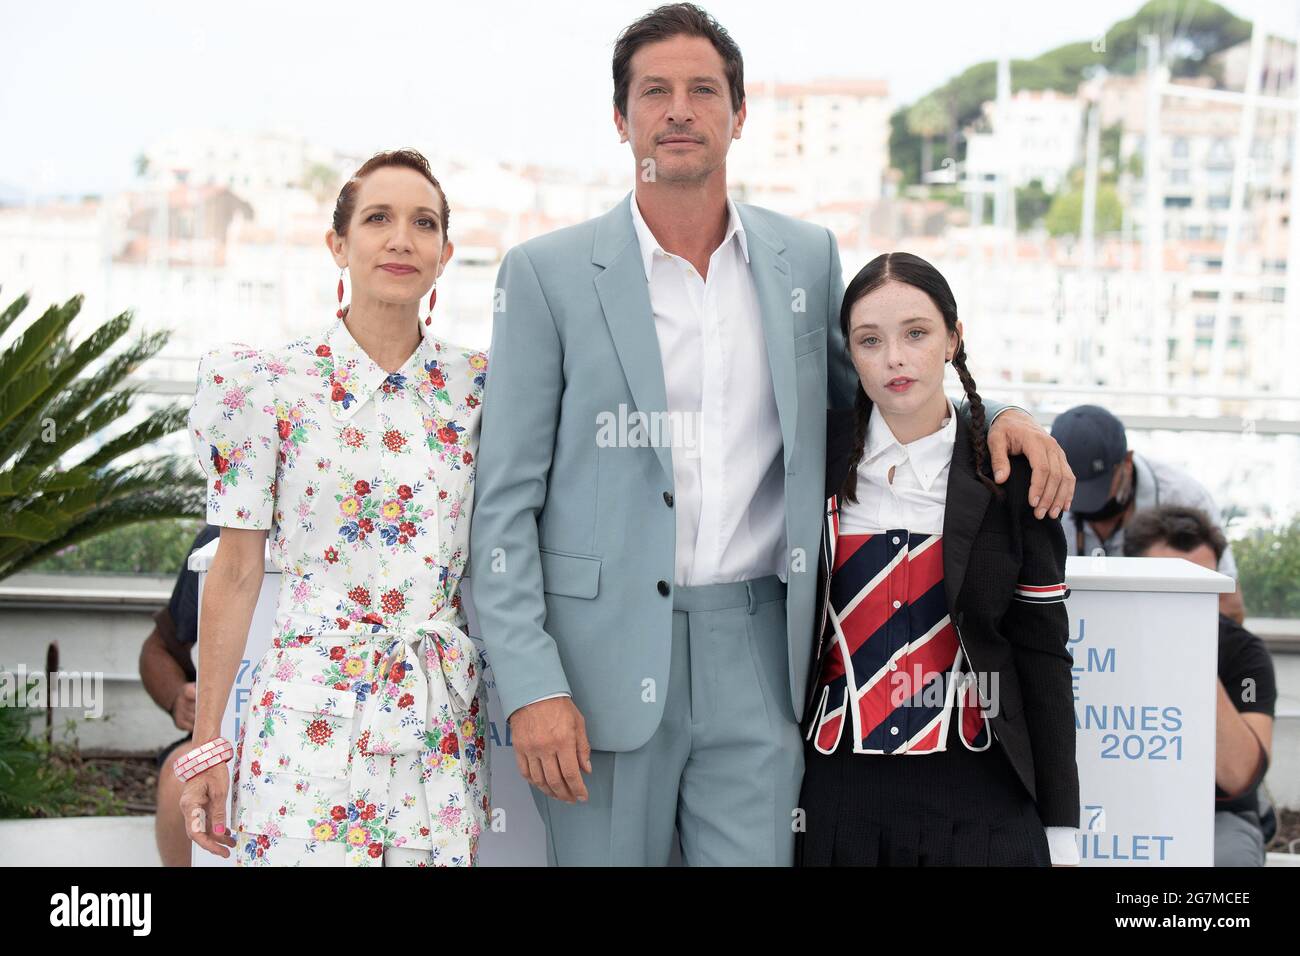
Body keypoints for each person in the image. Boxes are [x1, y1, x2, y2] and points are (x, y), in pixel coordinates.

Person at [470, 3, 1075, 866]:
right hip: (595, 669)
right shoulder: (545, 274)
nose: (679, 109)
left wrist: (996, 415)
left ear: (739, 115)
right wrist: (531, 687)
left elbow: (876, 394)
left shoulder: (804, 257)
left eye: (703, 90)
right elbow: (504, 504)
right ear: (621, 118)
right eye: (655, 91)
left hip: (761, 659)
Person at [180, 148, 490, 866]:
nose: (401, 238)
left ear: (445, 255)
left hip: (435, 731)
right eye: (378, 218)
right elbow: (233, 573)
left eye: (424, 223)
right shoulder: (266, 384)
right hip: (302, 729)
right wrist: (206, 747)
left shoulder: (481, 390)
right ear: (338, 245)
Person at [797, 252, 1079, 867]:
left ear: (954, 338)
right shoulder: (808, 459)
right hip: (837, 791)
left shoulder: (1013, 474)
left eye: (916, 333)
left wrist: (1061, 824)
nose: (895, 358)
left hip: (980, 790)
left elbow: (1042, 651)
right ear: (851, 354)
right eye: (870, 340)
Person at [1122, 505, 1276, 866]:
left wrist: (1192, 649)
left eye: (1201, 587)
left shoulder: (1244, 653)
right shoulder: (1101, 635)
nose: (1186, 600)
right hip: (1120, 802)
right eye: (1169, 587)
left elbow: (1240, 775)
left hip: (1217, 815)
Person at [1051, 404, 1245, 624]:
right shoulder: (1041, 490)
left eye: (1096, 488)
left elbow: (1228, 606)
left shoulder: (1184, 498)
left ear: (1127, 462)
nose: (1084, 504)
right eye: (1070, 487)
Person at [142, 523, 221, 867]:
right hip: (221, 738)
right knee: (181, 775)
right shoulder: (217, 539)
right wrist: (178, 696)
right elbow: (157, 649)